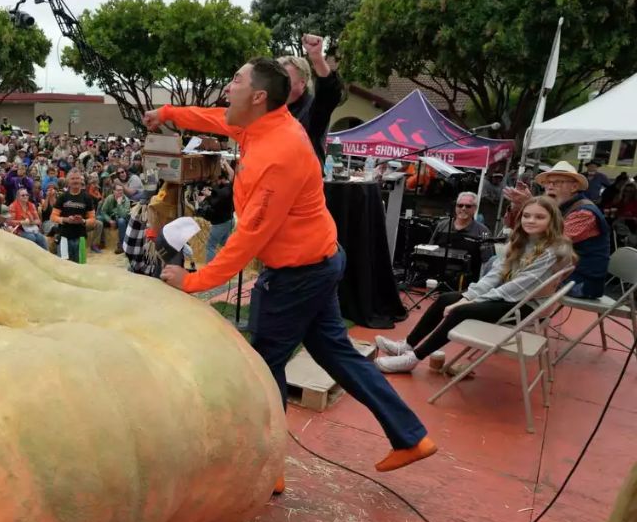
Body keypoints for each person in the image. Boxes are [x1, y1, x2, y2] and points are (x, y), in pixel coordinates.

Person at [147, 57, 436, 474]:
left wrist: (194, 282)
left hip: (300, 273)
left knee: (264, 365)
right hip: (317, 261)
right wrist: (168, 113)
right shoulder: (260, 123)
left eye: (236, 79)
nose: (228, 88)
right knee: (337, 353)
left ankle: (268, 470)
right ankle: (411, 437)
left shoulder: (279, 152)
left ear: (259, 96)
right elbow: (214, 118)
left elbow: (250, 236)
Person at [375, 196, 574, 373]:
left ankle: (414, 358)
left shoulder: (552, 250)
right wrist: (470, 296)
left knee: (460, 311)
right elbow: (495, 274)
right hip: (511, 298)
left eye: (539, 217)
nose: (530, 221)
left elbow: (517, 288)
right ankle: (408, 345)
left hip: (525, 307)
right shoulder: (521, 241)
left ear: (552, 221)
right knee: (446, 298)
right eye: (527, 216)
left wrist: (467, 303)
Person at [504, 161, 609, 298]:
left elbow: (550, 242)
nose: (550, 187)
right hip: (556, 271)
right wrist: (518, 207)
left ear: (574, 187)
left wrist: (530, 205)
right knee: (501, 265)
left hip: (579, 282)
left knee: (508, 273)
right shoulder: (556, 208)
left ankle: (494, 311)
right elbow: (518, 230)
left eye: (557, 182)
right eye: (547, 183)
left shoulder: (585, 213)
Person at [281, 34, 344, 167]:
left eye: (285, 80)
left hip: (302, 183)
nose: (279, 84)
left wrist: (316, 58)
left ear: (302, 84)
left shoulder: (311, 110)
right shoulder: (270, 108)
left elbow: (329, 93)